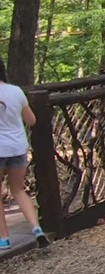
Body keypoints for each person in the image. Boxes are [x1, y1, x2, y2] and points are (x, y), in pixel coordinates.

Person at [0, 58, 50, 249]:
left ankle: (3, 238)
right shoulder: (16, 91)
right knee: (18, 189)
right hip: (18, 147)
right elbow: (31, 120)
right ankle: (36, 228)